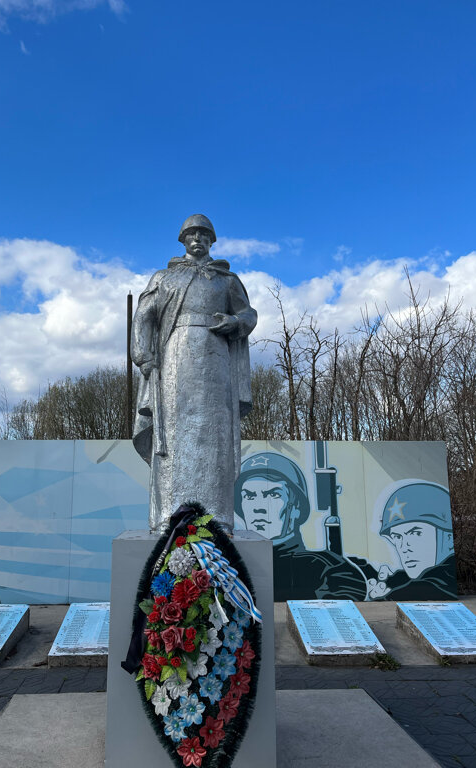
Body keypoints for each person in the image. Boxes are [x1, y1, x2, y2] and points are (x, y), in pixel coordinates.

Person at [131, 214, 257, 533]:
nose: (198, 238)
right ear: (183, 240)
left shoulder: (226, 280)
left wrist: (236, 323)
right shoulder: (163, 278)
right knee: (172, 436)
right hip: (174, 361)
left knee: (213, 435)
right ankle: (168, 516)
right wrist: (144, 356)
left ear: (212, 240)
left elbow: (248, 313)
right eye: (192, 234)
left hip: (216, 362)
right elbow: (144, 316)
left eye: (204, 234)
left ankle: (217, 516)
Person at [235, 452, 367, 601]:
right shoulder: (231, 565)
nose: (258, 508)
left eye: (273, 495)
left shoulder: (329, 569)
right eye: (249, 496)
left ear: (296, 508)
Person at [364, 482, 458, 601]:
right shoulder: (413, 581)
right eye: (397, 537)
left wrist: (385, 597)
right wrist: (393, 582)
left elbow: (430, 585)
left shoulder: (441, 583)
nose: (404, 547)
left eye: (415, 533)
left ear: (447, 538)